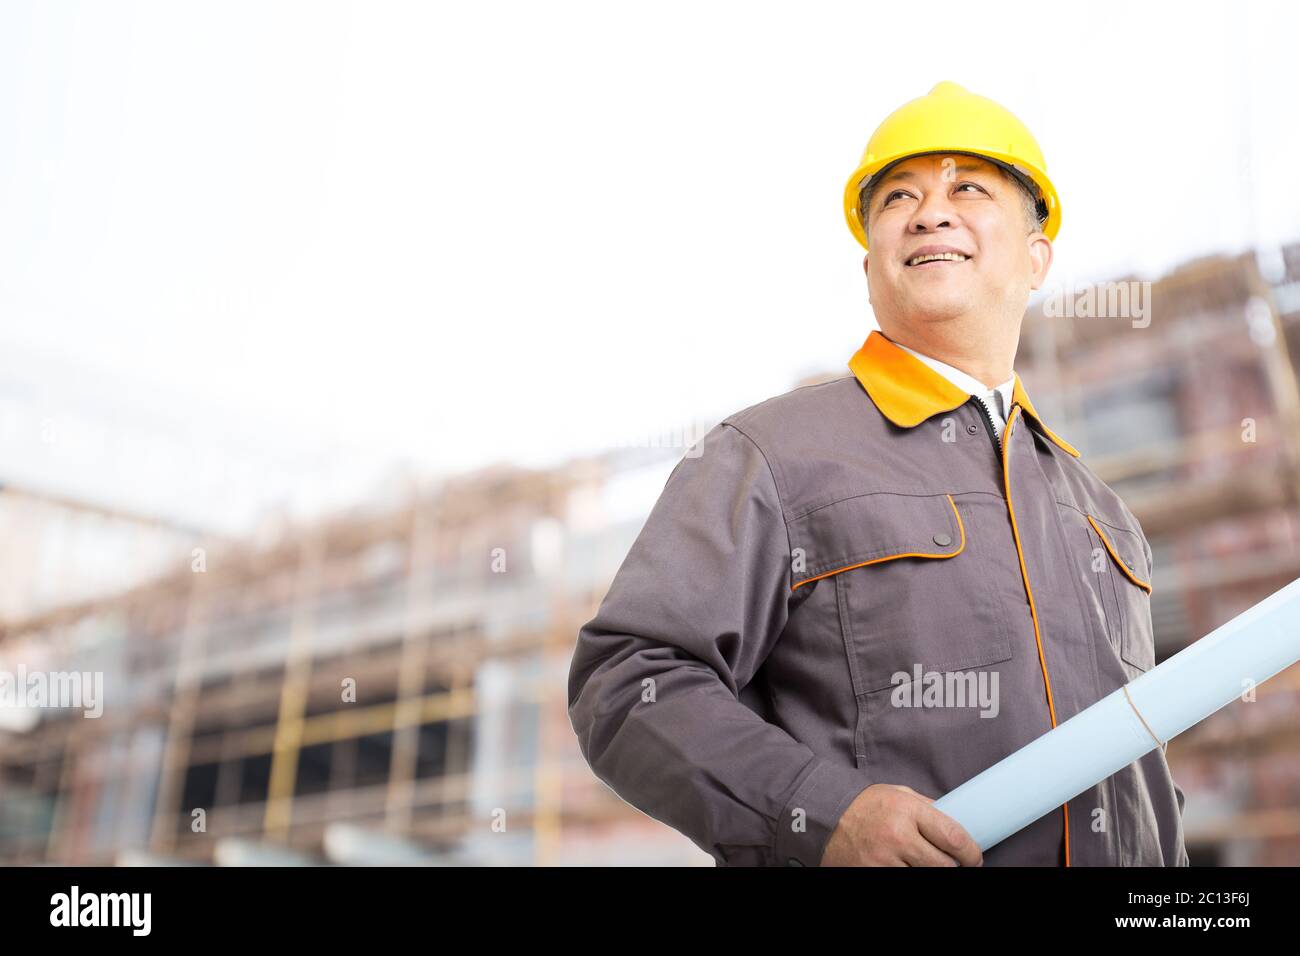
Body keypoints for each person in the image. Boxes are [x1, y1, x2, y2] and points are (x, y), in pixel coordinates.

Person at [567, 81, 1188, 867]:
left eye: (968, 186)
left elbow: (1143, 783)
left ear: (1038, 258)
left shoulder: (1101, 513)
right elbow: (626, 682)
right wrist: (822, 814)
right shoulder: (772, 453)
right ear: (871, 267)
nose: (931, 211)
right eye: (900, 196)